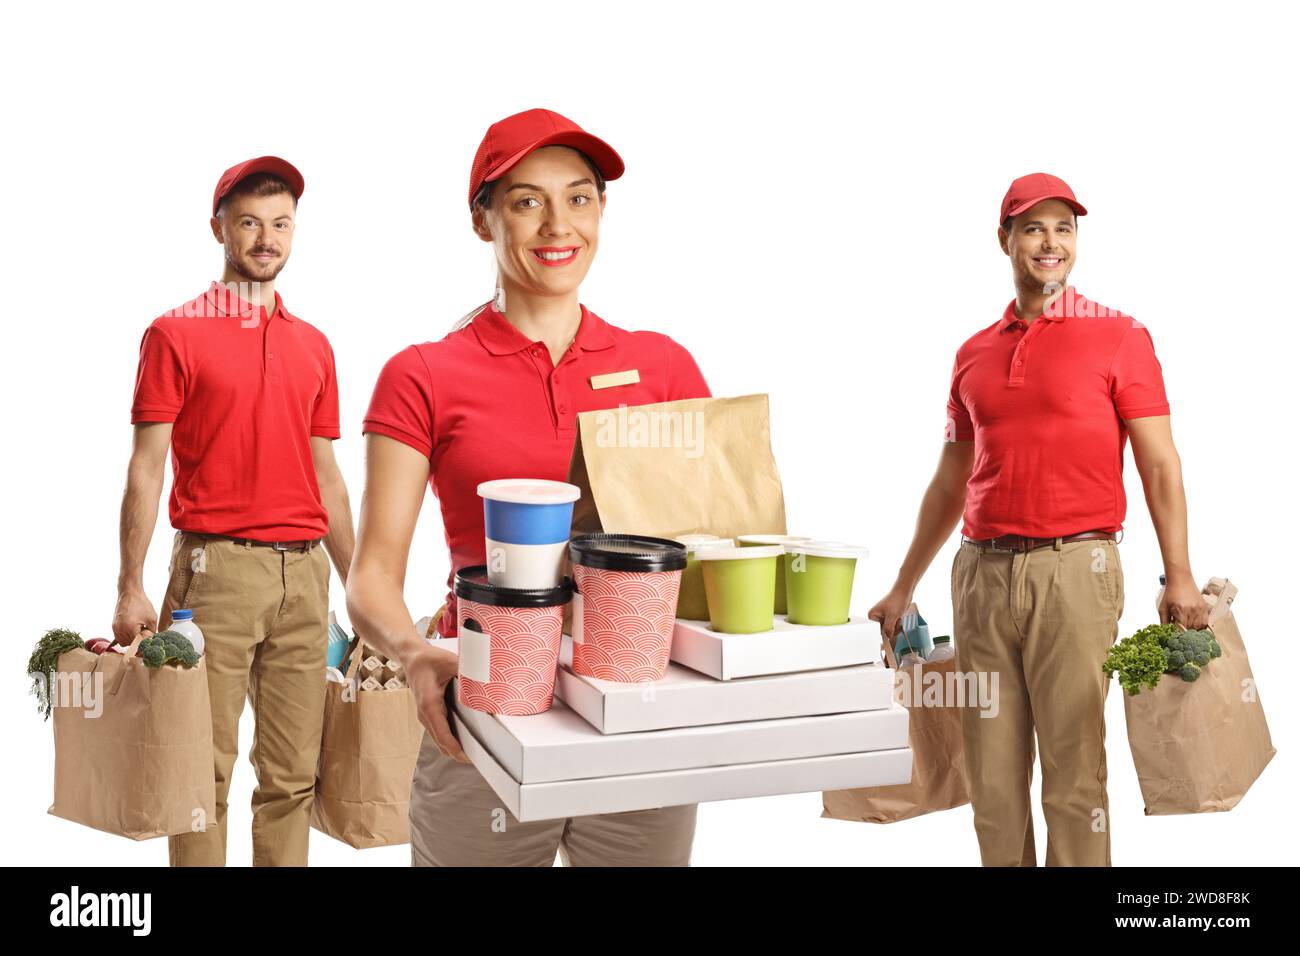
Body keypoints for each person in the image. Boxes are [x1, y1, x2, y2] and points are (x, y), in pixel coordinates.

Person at [347, 109, 708, 866]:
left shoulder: (663, 367)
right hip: (486, 704)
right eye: (525, 201)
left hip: (639, 715)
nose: (557, 225)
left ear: (601, 210)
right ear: (483, 219)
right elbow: (371, 576)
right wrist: (415, 654)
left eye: (578, 198)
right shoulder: (423, 375)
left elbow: (710, 549)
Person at [868, 172, 1209, 867]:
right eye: (1033, 228)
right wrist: (903, 586)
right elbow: (950, 480)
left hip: (1076, 570)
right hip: (981, 575)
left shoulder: (1119, 336)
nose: (1051, 243)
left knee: (1074, 772)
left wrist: (1180, 575)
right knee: (990, 779)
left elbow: (1160, 464)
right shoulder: (974, 353)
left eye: (1064, 228)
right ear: (1005, 240)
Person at [115, 156, 355, 866]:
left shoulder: (314, 345)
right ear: (218, 228)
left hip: (305, 579)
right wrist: (130, 584)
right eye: (249, 222)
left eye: (281, 224)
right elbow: (146, 465)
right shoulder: (175, 333)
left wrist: (361, 584)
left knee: (292, 778)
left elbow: (327, 477)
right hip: (214, 574)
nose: (266, 239)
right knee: (200, 773)